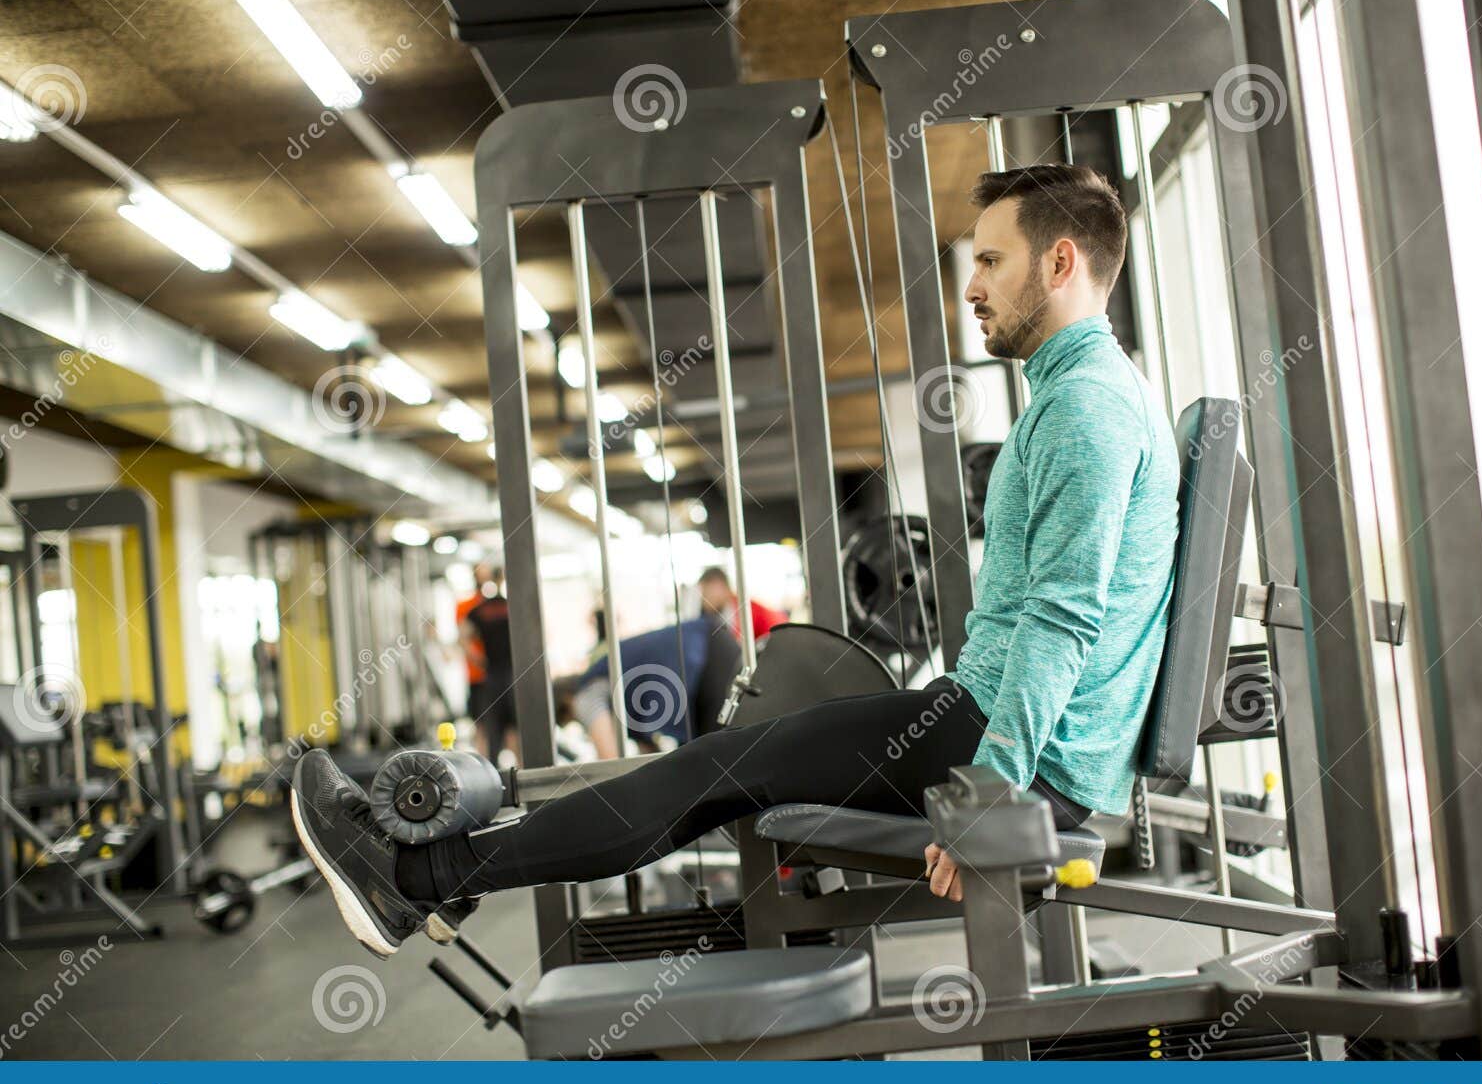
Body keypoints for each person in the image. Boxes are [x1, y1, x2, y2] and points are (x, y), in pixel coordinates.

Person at [291, 163, 1181, 958]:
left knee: (707, 771)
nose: (973, 286)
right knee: (730, 761)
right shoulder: (1079, 395)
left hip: (1015, 756)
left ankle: (417, 875)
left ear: (1060, 263)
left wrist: (991, 791)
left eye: (992, 262)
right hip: (990, 728)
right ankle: (433, 875)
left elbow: (1064, 619)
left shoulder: (1086, 409)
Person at [571, 613, 742, 759]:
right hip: (708, 647)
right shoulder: (620, 694)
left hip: (704, 655)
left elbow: (609, 760)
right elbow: (648, 753)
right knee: (707, 759)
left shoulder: (584, 693)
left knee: (716, 761)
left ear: (564, 702)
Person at [459, 569, 518, 766]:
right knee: (513, 726)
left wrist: (478, 659)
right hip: (510, 673)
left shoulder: (480, 609)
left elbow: (464, 635)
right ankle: (521, 769)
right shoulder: (512, 605)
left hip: (493, 674)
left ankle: (494, 772)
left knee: (494, 728)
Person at [455, 563, 492, 756]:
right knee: (482, 725)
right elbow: (463, 637)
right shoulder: (466, 606)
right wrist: (479, 659)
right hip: (478, 676)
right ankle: (483, 763)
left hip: (496, 675)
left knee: (507, 725)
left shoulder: (494, 604)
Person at [697, 567, 786, 642]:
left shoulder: (749, 610)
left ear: (722, 587)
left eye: (706, 593)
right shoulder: (715, 615)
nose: (703, 599)